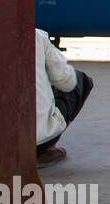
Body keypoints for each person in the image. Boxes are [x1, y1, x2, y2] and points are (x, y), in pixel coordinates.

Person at [35, 29, 94, 167]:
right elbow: (67, 81)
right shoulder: (36, 35)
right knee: (79, 80)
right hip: (36, 140)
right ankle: (44, 152)